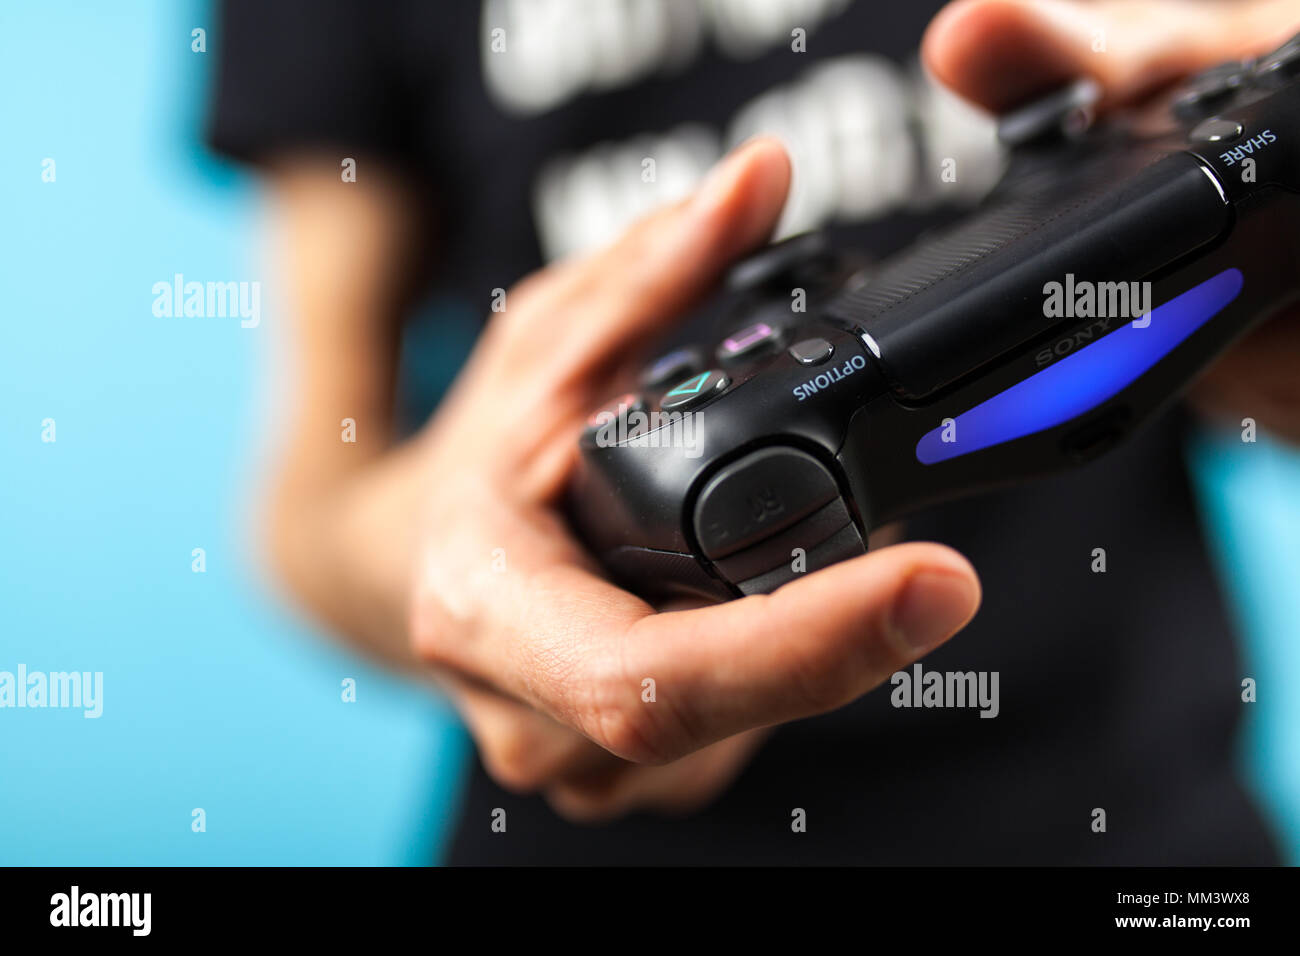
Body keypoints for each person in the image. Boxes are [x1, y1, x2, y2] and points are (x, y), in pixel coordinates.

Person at [208, 0, 1300, 864]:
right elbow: (309, 504)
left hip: (1138, 816)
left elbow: (1260, 387)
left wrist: (1270, 345)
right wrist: (470, 567)